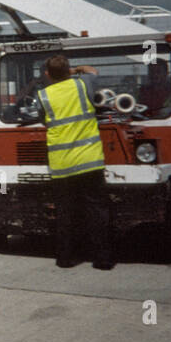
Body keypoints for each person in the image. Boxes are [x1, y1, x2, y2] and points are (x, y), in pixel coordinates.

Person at [36, 55, 111, 269]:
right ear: (68, 71)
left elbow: (43, 120)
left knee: (65, 212)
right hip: (89, 159)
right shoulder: (82, 84)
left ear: (47, 74)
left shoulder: (43, 95)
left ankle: (65, 258)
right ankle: (103, 259)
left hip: (62, 164)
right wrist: (76, 70)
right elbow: (93, 71)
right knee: (97, 210)